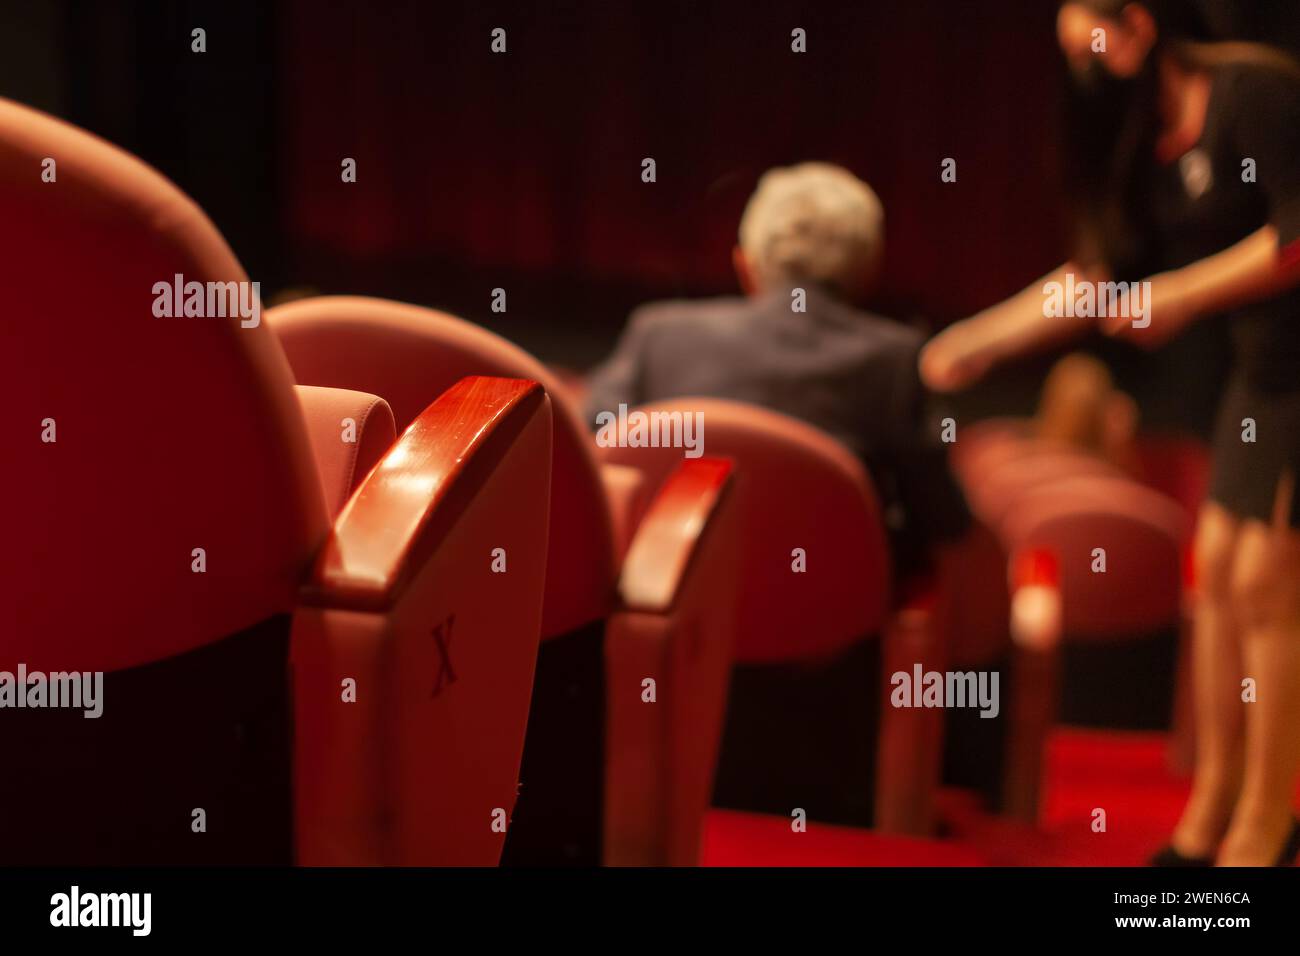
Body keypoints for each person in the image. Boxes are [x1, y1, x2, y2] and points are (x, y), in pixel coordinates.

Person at [921, 0, 1300, 866]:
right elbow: (1094, 277)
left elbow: (1295, 236)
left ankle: (1265, 827)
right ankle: (1212, 809)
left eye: (1097, 37)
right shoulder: (1140, 136)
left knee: (1268, 579)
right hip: (1261, 370)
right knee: (1217, 581)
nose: (1091, 63)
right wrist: (975, 342)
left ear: (1142, 18)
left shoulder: (1253, 92)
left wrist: (1183, 294)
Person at [584, 162, 969, 576]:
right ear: (869, 270)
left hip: (672, 606)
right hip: (830, 622)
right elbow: (946, 522)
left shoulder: (658, 334)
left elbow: (584, 461)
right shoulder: (895, 360)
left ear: (744, 264)